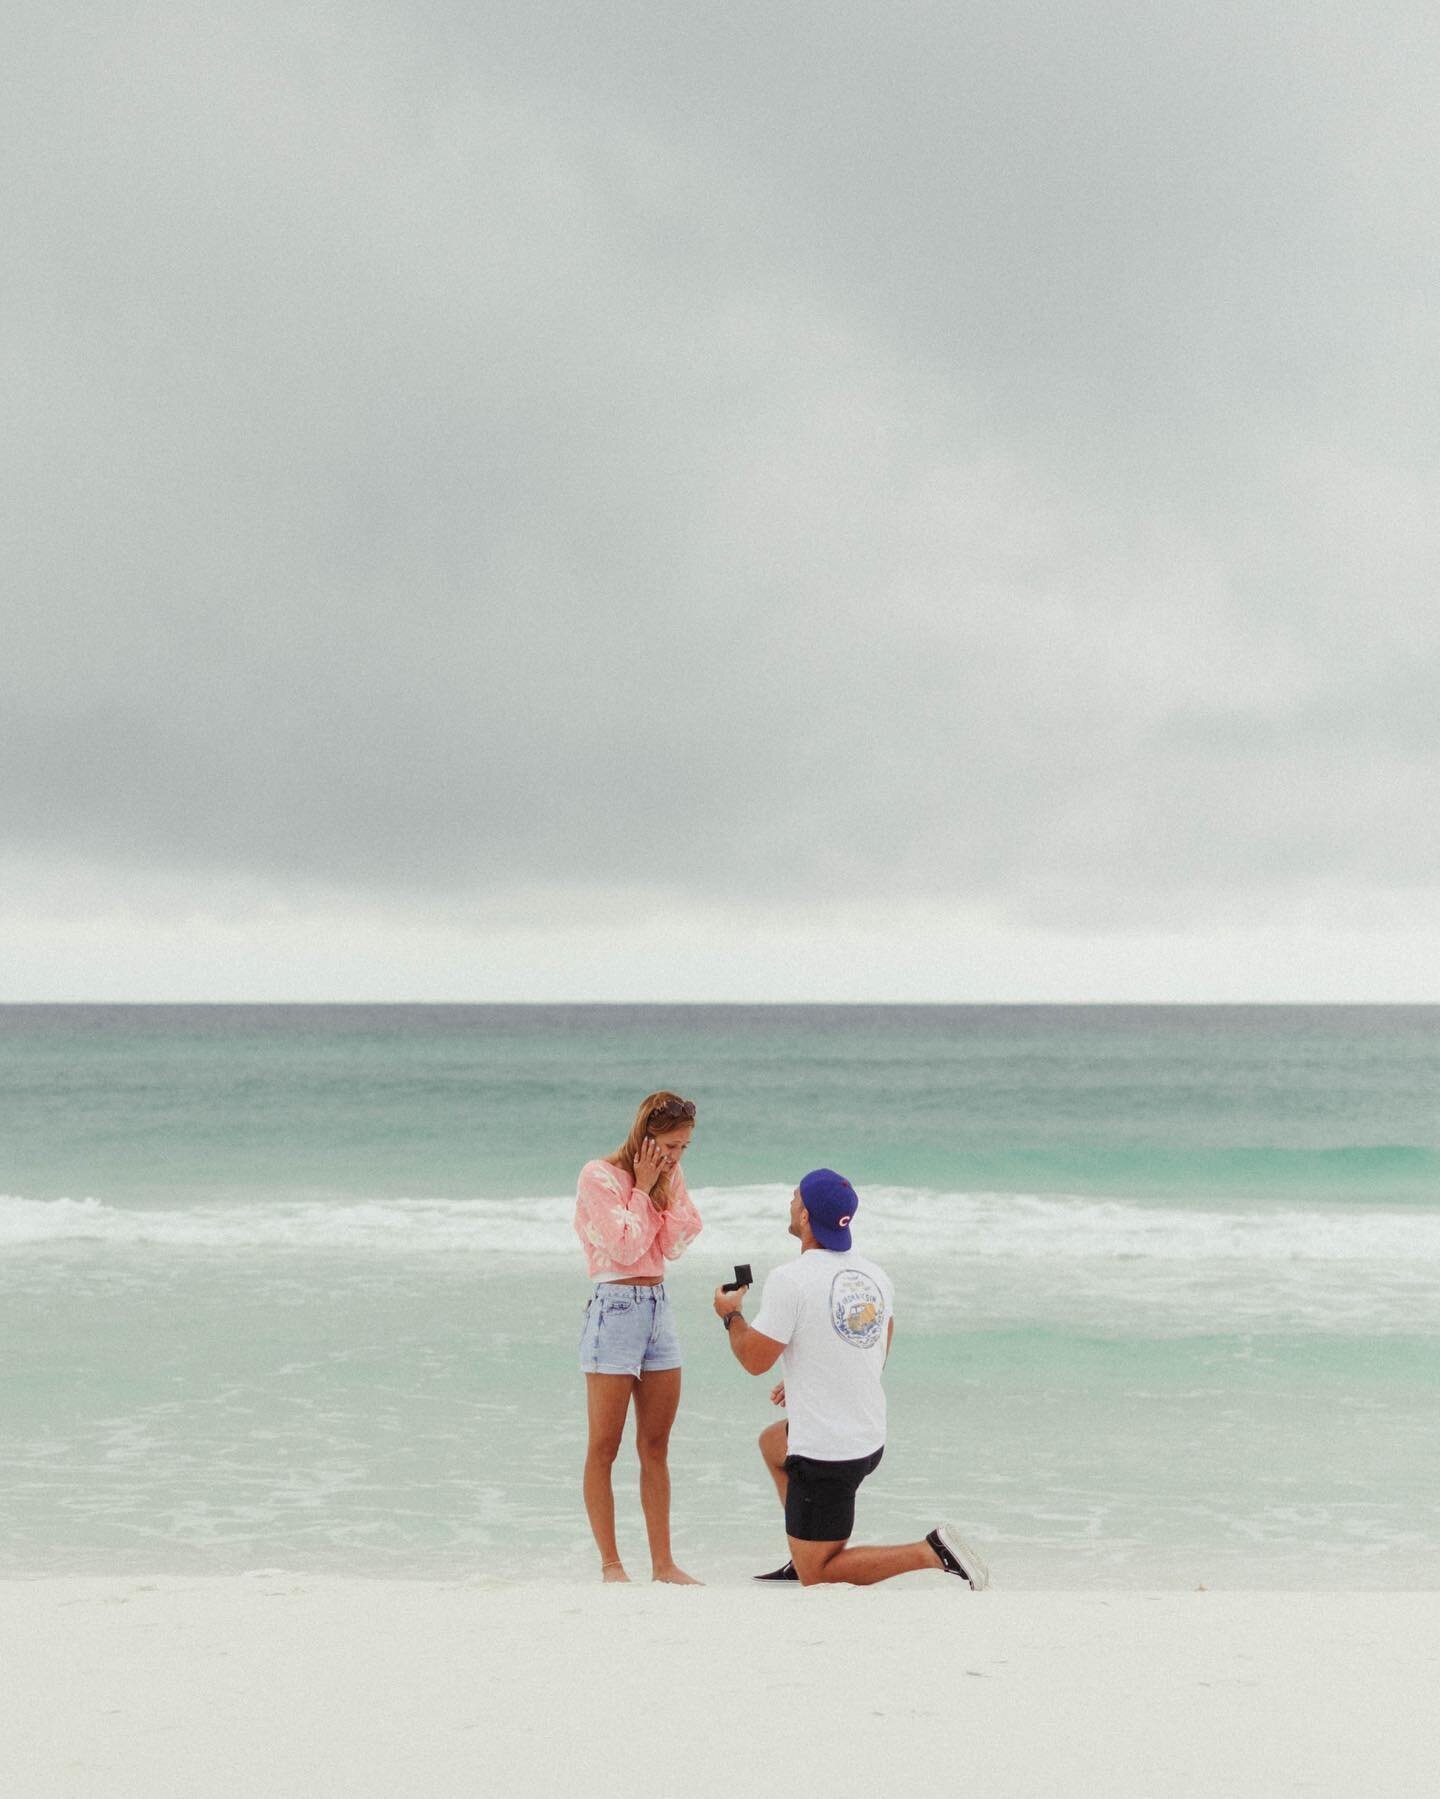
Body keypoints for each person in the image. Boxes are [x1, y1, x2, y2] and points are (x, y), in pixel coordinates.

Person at [713, 1168, 989, 1589]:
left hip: (827, 1455)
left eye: (794, 1198)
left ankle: (931, 1551)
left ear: (805, 1217)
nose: (790, 1204)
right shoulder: (874, 1275)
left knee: (819, 1575)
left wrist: (731, 1315)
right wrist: (811, 1377)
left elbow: (753, 1360)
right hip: (868, 1436)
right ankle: (803, 1544)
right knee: (772, 1443)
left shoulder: (791, 1279)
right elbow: (876, 1344)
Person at [574, 1091, 704, 1584]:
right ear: (646, 1136)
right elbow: (624, 1247)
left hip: (658, 1310)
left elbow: (674, 1244)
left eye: (684, 1148)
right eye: (670, 1145)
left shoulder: (670, 1176)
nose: (675, 1156)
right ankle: (611, 1565)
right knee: (603, 1447)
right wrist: (643, 1189)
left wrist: (662, 1187)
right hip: (614, 1310)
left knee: (655, 1445)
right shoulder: (598, 1176)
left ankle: (663, 1564)